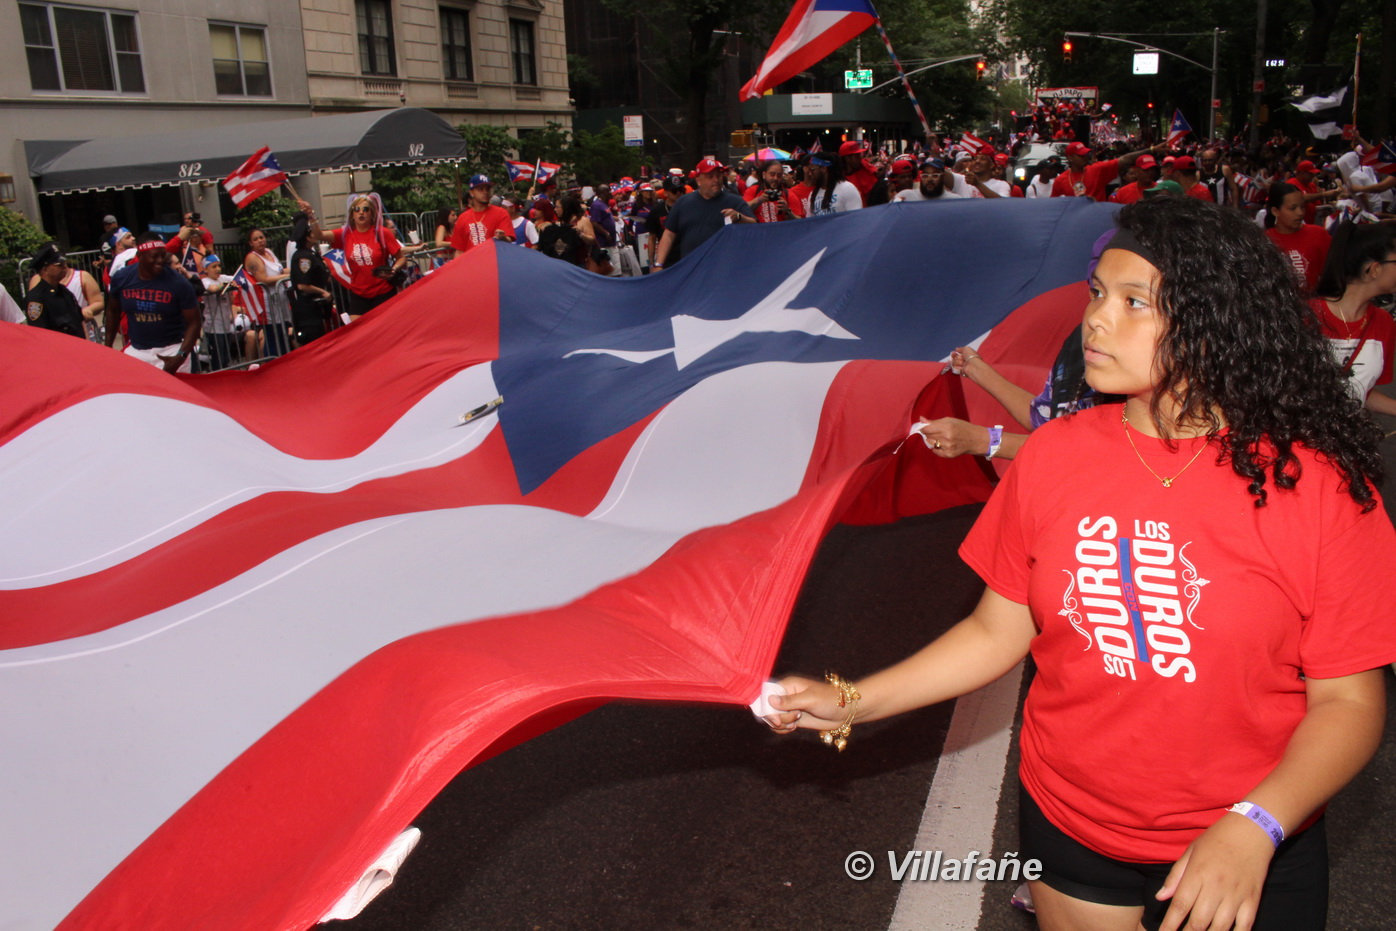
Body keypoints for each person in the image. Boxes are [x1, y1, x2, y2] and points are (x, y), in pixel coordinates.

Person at [766, 195, 1396, 931]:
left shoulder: (1315, 488)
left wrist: (1257, 823)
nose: (1096, 318)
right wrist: (854, 701)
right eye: (1099, 293)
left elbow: (1349, 705)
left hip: (1252, 839)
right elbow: (995, 631)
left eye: (1135, 302)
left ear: (1215, 321)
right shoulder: (1056, 455)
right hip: (1073, 824)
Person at [1310, 222, 1396, 416]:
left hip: (1346, 441)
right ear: (1373, 269)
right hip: (1296, 440)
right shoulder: (1304, 317)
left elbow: (1360, 392)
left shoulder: (1384, 324)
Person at [299, 193, 406, 320]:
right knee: (359, 332)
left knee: (384, 332)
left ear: (372, 214)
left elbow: (401, 257)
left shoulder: (383, 233)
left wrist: (394, 269)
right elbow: (319, 235)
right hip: (359, 294)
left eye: (366, 210)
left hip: (383, 292)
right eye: (357, 209)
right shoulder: (345, 234)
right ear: (352, 214)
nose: (361, 213)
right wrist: (311, 215)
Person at [105, 233, 201, 373]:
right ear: (140, 255)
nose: (160, 261)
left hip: (171, 350)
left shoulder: (179, 283)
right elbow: (113, 311)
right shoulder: (122, 278)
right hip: (137, 351)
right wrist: (107, 347)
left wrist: (180, 356)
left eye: (163, 255)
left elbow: (194, 322)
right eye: (154, 256)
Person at [651, 157, 754, 270]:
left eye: (719, 176)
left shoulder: (735, 201)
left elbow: (754, 224)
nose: (716, 180)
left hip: (724, 269)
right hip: (691, 269)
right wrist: (659, 264)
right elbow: (669, 234)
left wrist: (739, 217)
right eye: (710, 176)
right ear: (698, 180)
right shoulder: (683, 202)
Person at [1264, 182, 1330, 293]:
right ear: (1275, 211)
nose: (1300, 213)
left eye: (1302, 207)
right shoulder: (1264, 241)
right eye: (1292, 208)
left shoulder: (1319, 235)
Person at [243, 227, 293, 357]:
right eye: (256, 239)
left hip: (281, 299)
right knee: (273, 336)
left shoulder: (269, 252)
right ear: (250, 243)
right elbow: (263, 279)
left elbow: (280, 271)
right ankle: (272, 362)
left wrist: (296, 270)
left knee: (284, 332)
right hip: (267, 302)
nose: (260, 241)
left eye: (261, 237)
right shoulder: (252, 258)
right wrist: (288, 277)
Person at [288, 216, 334, 346]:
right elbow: (303, 285)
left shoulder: (311, 254)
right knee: (313, 343)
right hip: (308, 309)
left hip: (317, 308)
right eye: (313, 231)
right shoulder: (303, 257)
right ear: (307, 237)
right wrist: (323, 292)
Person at [22, 244, 87, 338]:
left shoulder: (65, 292)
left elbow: (79, 323)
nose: (64, 267)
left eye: (64, 263)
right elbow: (40, 333)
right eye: (59, 265)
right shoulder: (36, 298)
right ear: (45, 270)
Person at [451, 175, 514, 258]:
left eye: (487, 189)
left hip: (494, 265)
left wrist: (503, 238)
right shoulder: (463, 218)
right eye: (480, 189)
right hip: (471, 267)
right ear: (471, 193)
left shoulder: (501, 213)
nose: (485, 192)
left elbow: (509, 239)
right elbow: (459, 251)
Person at [198, 255, 239, 370]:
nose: (217, 269)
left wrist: (232, 286)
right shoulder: (205, 281)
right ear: (206, 269)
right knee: (218, 358)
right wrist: (227, 285)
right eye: (213, 267)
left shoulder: (224, 277)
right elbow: (213, 289)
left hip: (225, 324)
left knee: (226, 357)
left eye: (219, 266)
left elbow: (236, 279)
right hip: (213, 327)